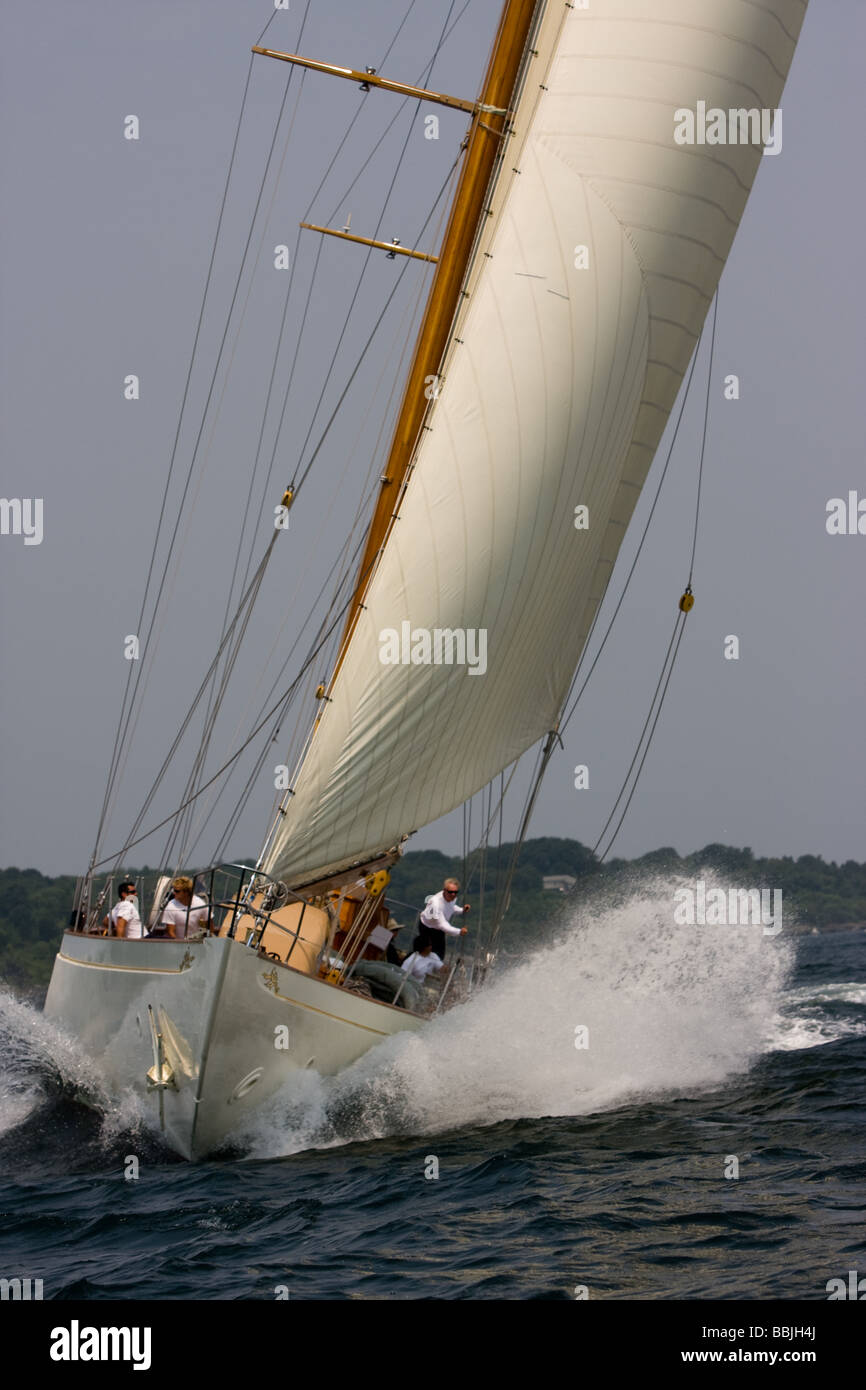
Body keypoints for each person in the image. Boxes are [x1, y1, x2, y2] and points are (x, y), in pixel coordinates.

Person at [417, 877, 470, 961]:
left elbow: (451, 907)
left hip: (438, 929)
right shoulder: (436, 903)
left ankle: (435, 969)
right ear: (444, 890)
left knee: (439, 955)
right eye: (450, 892)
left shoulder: (453, 898)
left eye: (455, 892)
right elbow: (443, 925)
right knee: (425, 952)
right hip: (427, 927)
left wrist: (462, 910)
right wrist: (459, 932)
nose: (453, 894)